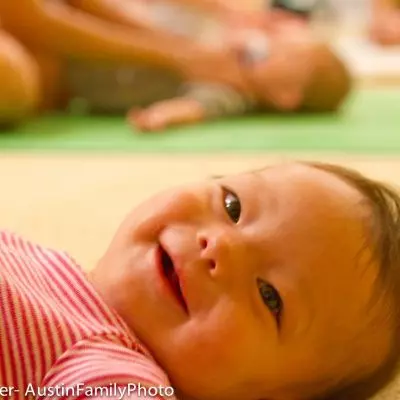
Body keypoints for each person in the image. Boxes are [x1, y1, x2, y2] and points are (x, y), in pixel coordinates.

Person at [2, 161, 400, 400]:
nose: (221, 246)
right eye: (233, 205)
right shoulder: (51, 271)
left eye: (270, 297)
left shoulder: (114, 375)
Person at [0, 0, 255, 126]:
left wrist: (175, 49)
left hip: (55, 75)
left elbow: (199, 104)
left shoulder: (231, 92)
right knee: (13, 72)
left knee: (20, 74)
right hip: (45, 70)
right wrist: (176, 53)